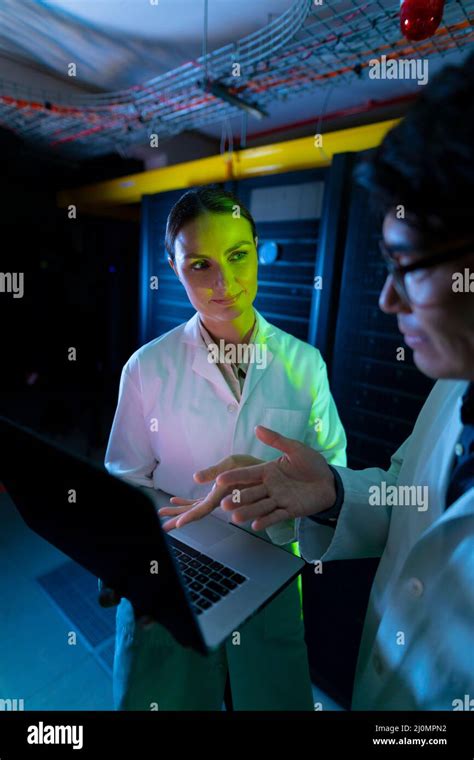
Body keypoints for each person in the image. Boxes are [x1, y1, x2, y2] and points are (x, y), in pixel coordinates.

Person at [167, 53, 474, 710]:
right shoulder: (456, 388)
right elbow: (415, 499)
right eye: (199, 265)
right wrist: (334, 491)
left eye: (409, 262)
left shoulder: (304, 360)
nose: (388, 301)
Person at [101, 186, 347, 710]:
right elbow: (125, 482)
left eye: (238, 256)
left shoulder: (305, 365)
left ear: (258, 248)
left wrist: (307, 497)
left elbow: (335, 479)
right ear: (173, 267)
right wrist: (136, 563)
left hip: (272, 573)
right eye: (199, 265)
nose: (224, 283)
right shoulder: (147, 367)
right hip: (172, 576)